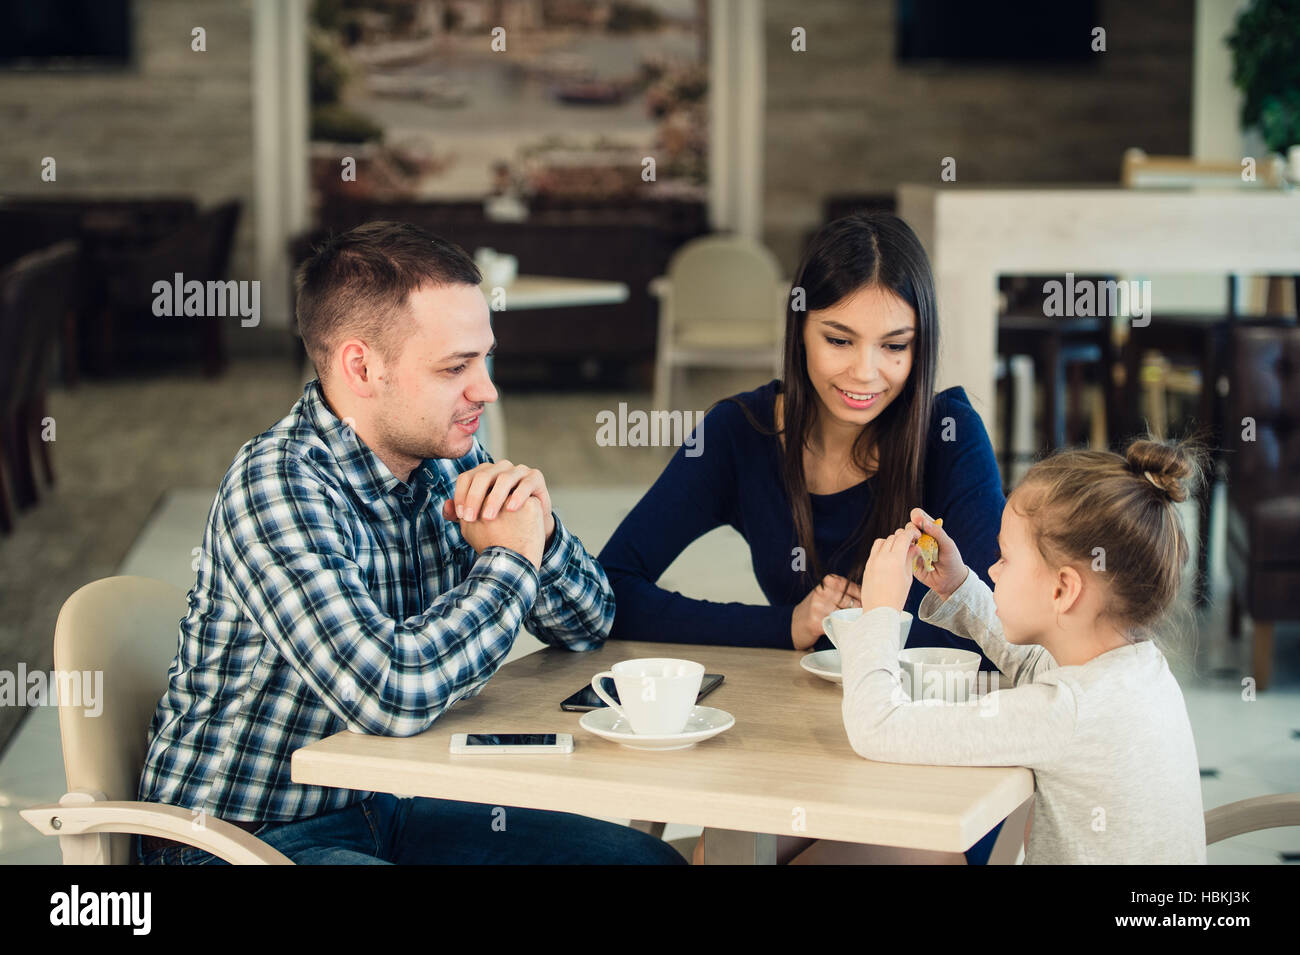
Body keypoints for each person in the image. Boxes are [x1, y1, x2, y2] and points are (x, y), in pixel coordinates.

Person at [135, 221, 684, 865]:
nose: (487, 389)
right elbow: (392, 695)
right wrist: (508, 563)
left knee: (649, 863)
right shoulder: (276, 486)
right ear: (362, 367)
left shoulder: (447, 452)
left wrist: (541, 528)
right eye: (457, 366)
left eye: (485, 357)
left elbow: (591, 624)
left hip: (391, 801)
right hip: (236, 838)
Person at [598, 211, 1006, 863]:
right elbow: (609, 589)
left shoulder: (950, 436)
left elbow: (999, 639)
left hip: (938, 766)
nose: (867, 373)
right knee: (721, 857)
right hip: (806, 752)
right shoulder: (739, 434)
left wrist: (878, 620)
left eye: (894, 345)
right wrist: (784, 625)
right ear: (800, 330)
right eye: (839, 340)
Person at [822, 437, 1207, 864]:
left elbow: (877, 728)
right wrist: (957, 586)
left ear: (1063, 589)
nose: (992, 568)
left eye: (1004, 557)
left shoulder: (1065, 713)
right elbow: (1034, 666)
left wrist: (879, 613)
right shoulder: (1138, 667)